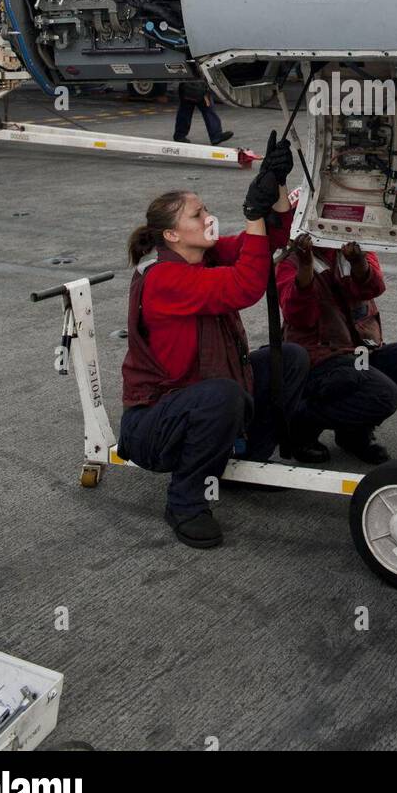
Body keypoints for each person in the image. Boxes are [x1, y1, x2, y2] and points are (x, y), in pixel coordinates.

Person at [118, 133, 324, 550]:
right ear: (172, 236)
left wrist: (277, 185)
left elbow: (271, 241)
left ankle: (243, 463)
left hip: (200, 399)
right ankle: (185, 501)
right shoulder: (164, 279)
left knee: (291, 359)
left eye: (206, 209)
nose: (208, 218)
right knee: (222, 396)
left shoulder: (206, 256)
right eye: (197, 215)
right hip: (154, 422)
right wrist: (252, 211)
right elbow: (247, 285)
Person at [276, 234, 397, 463]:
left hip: (360, 352)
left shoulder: (352, 246)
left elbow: (373, 287)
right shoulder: (290, 260)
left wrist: (357, 261)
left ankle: (352, 432)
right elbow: (299, 315)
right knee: (384, 394)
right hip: (320, 360)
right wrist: (305, 267)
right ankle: (302, 424)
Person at [173, 77, 233, 146]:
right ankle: (216, 136)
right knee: (208, 111)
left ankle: (179, 135)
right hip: (198, 85)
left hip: (188, 83)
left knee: (185, 111)